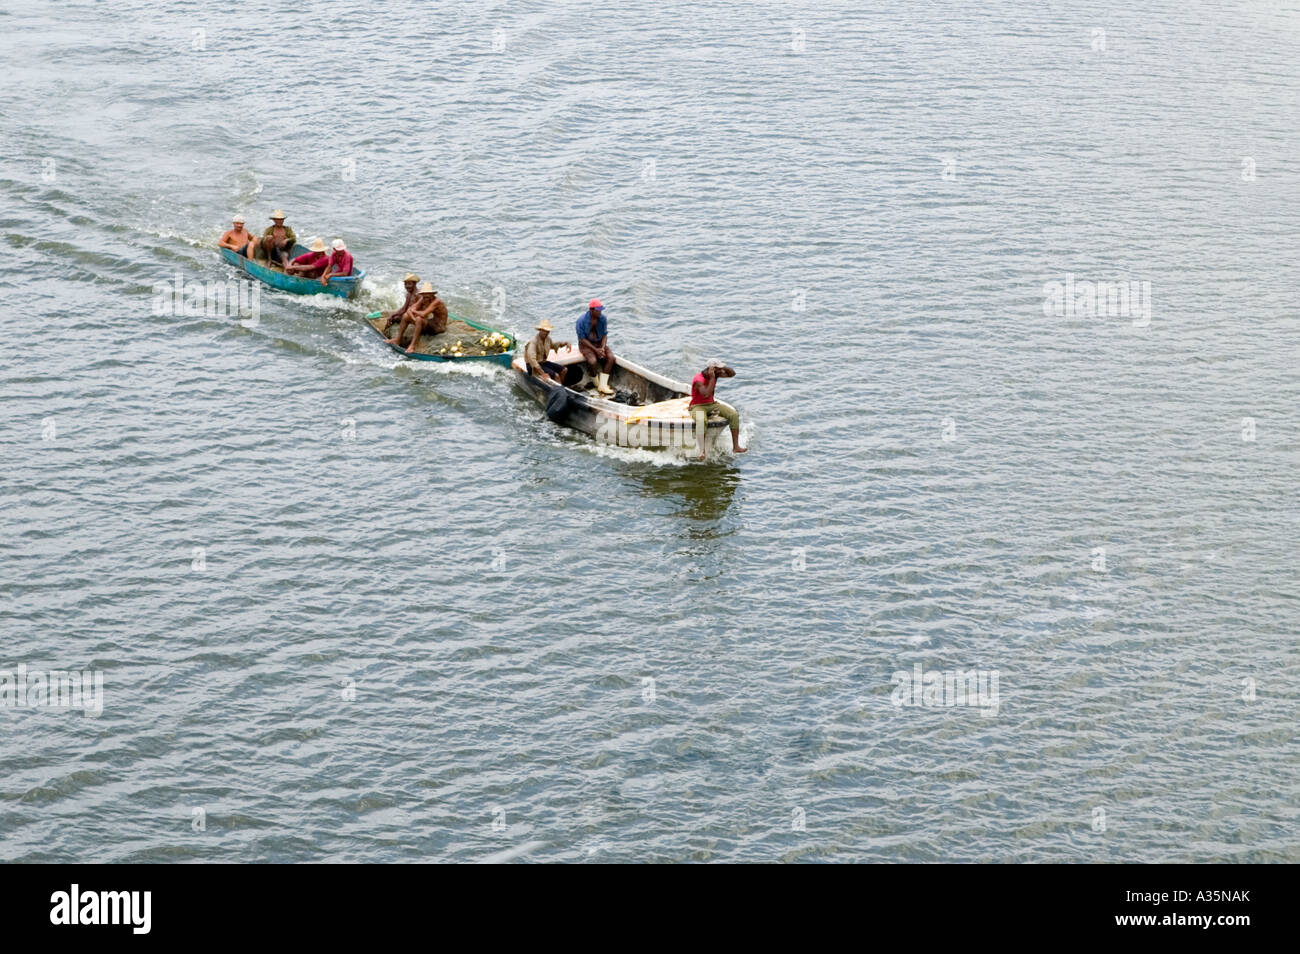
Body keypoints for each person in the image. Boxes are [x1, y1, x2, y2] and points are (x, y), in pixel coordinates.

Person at [688, 361, 746, 460]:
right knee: (702, 421)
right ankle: (702, 451)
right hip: (697, 406)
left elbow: (732, 374)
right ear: (712, 370)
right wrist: (712, 378)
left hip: (711, 404)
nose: (722, 371)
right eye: (719, 370)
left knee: (733, 414)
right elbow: (706, 394)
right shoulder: (698, 379)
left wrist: (725, 367)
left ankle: (736, 447)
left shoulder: (716, 374)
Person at [386, 282, 447, 354]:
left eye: (427, 297)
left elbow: (424, 314)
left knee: (419, 319)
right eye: (424, 296)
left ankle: (412, 345)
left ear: (432, 295)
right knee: (406, 316)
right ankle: (398, 339)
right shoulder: (423, 298)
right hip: (432, 322)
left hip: (439, 326)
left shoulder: (437, 301)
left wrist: (414, 313)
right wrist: (413, 317)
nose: (425, 299)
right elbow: (409, 310)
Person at [576, 298, 614, 395]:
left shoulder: (603, 319)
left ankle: (602, 384)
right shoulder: (581, 321)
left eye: (601, 310)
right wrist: (595, 350)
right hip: (586, 345)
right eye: (598, 310)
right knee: (593, 361)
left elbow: (605, 335)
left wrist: (602, 347)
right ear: (591, 310)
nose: (600, 312)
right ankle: (595, 381)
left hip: (599, 343)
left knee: (611, 358)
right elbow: (582, 339)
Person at [524, 319, 570, 385]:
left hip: (542, 362)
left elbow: (554, 345)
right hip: (533, 366)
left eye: (547, 331)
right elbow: (532, 360)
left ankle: (560, 387)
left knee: (564, 370)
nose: (546, 332)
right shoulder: (533, 342)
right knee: (556, 376)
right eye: (544, 330)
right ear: (540, 330)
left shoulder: (548, 339)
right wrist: (542, 373)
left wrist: (565, 343)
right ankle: (559, 390)